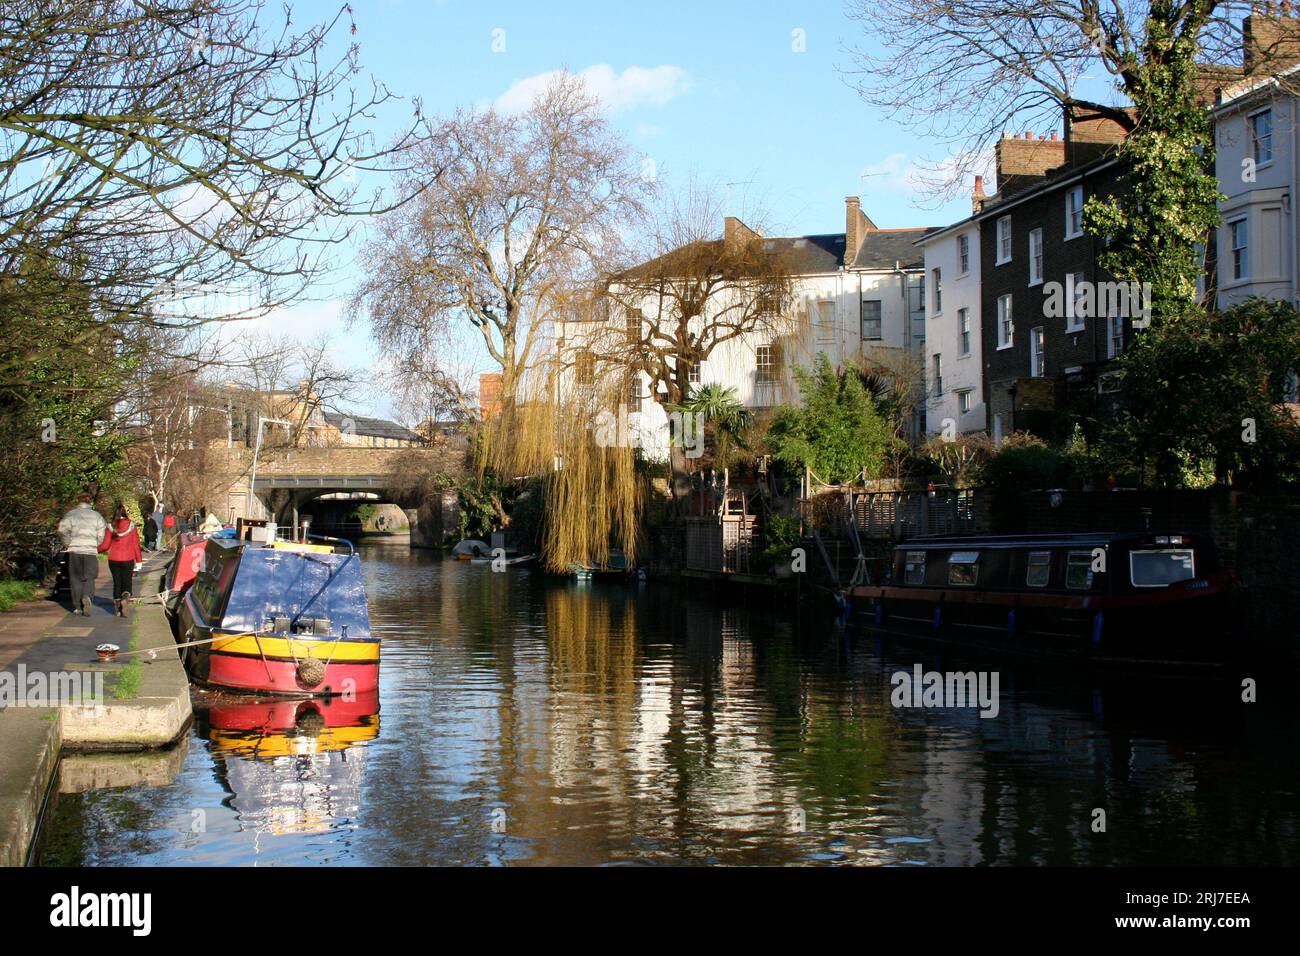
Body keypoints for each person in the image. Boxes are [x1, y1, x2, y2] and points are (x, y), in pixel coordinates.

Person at [57, 493, 108, 615]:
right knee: (89, 577)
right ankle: (87, 596)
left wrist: (68, 543)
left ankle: (78, 606)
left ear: (78, 501)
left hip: (75, 549)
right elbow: (102, 533)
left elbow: (62, 530)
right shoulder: (97, 516)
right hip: (90, 550)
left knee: (75, 578)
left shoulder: (71, 514)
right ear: (90, 502)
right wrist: (95, 543)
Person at [99, 505, 143, 618]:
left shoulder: (111, 526)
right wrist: (139, 560)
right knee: (127, 581)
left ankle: (118, 609)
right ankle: (126, 597)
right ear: (125, 513)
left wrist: (96, 549)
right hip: (128, 558)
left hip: (113, 559)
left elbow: (105, 545)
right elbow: (136, 545)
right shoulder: (131, 526)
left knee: (117, 582)